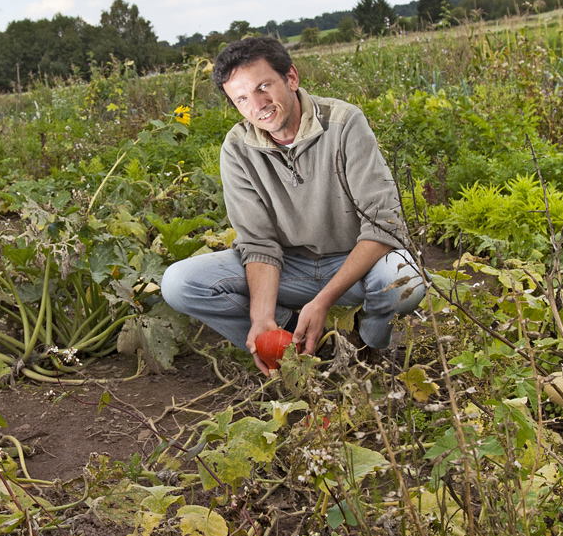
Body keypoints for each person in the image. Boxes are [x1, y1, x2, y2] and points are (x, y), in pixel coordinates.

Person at [159, 36, 425, 371]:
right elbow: (258, 244)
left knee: (408, 280)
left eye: (264, 86)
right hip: (289, 270)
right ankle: (291, 339)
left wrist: (324, 300)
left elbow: (383, 224)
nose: (257, 104)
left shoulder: (344, 124)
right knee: (179, 283)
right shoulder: (237, 149)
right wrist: (261, 317)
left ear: (292, 78)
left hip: (353, 264)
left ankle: (368, 346)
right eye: (241, 98)